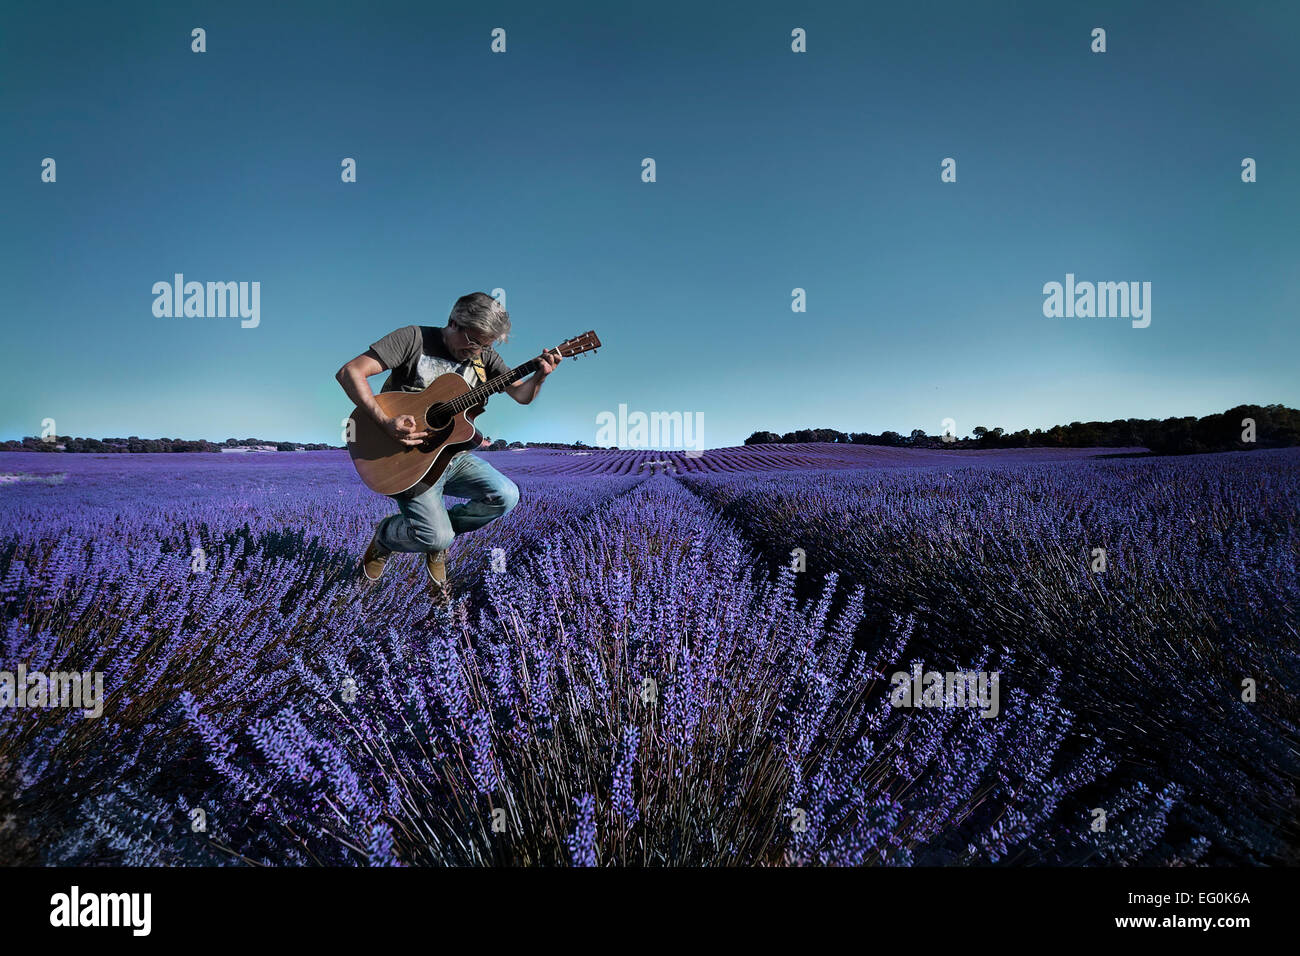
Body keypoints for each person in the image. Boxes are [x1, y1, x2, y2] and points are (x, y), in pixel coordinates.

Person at [335, 292, 562, 604]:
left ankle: (433, 537)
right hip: (406, 460)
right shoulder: (413, 338)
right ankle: (388, 537)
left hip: (453, 456)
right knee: (437, 536)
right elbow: (350, 371)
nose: (478, 351)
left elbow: (521, 396)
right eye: (474, 342)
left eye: (486, 345)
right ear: (454, 323)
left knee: (506, 496)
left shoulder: (485, 359)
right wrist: (385, 420)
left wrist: (540, 376)